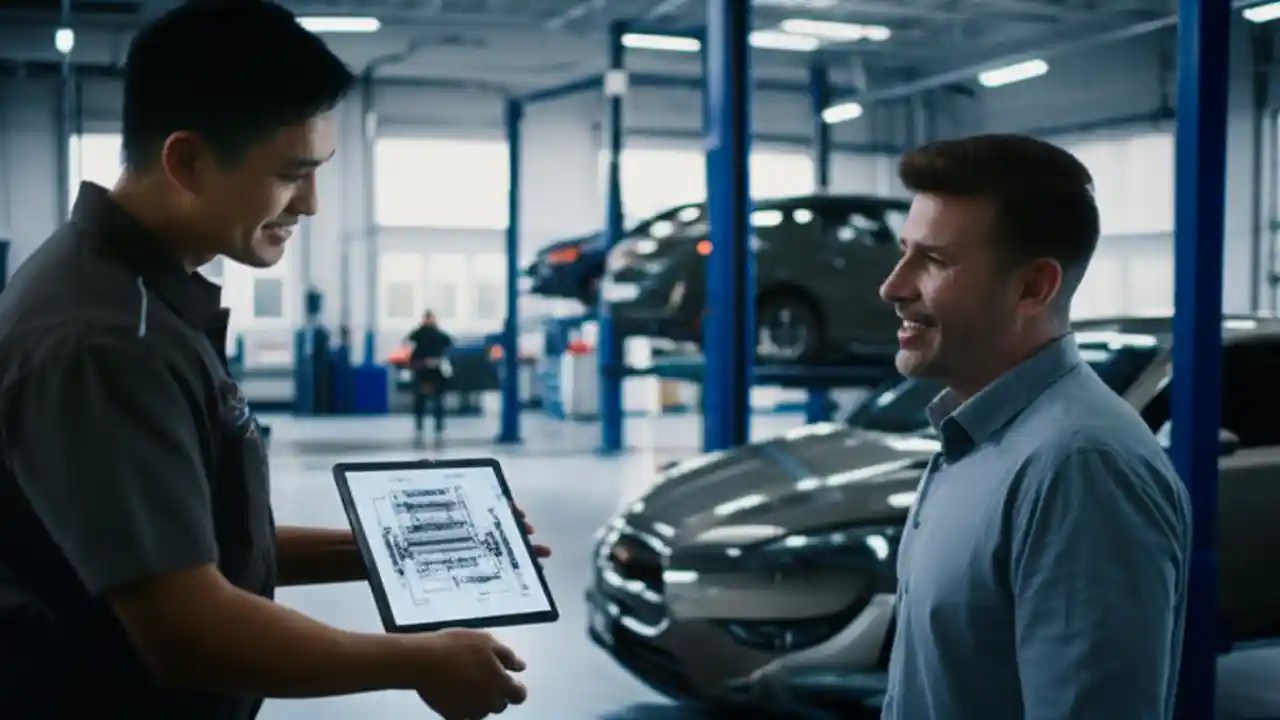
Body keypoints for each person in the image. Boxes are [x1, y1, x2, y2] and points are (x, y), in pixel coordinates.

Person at [0, 3, 549, 719]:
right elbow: (187, 629)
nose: (313, 204)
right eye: (293, 175)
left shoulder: (136, 301)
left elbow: (189, 550)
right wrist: (418, 659)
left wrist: (394, 548)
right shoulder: (105, 338)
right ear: (188, 161)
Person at [877, 134, 1191, 720]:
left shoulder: (1078, 467)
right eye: (904, 251)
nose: (893, 287)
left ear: (1032, 287)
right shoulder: (973, 438)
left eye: (935, 261)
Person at [406, 309, 453, 444]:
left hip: (431, 372)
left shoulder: (429, 335)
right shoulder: (423, 334)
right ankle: (422, 425)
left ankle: (435, 426)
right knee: (424, 401)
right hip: (426, 371)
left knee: (432, 401)